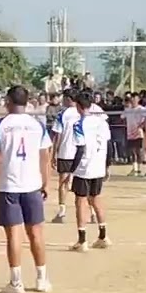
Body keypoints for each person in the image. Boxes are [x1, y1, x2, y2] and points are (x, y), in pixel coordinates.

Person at [0, 85, 53, 293]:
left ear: (8, 101)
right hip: (32, 184)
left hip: (9, 186)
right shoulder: (37, 125)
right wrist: (46, 183)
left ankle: (16, 283)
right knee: (36, 233)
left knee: (14, 234)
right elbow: (45, 157)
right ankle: (42, 279)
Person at [68, 92, 112, 251]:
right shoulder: (102, 123)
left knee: (80, 201)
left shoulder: (79, 125)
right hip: (98, 166)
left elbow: (80, 149)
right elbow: (109, 145)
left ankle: (82, 240)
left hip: (84, 168)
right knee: (96, 198)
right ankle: (103, 236)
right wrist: (107, 165)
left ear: (78, 107)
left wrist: (71, 170)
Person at [49, 89, 81, 223]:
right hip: (81, 152)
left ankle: (62, 211)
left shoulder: (63, 114)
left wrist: (53, 154)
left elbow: (57, 136)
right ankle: (90, 212)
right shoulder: (83, 112)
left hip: (66, 152)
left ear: (68, 99)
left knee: (63, 182)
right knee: (83, 182)